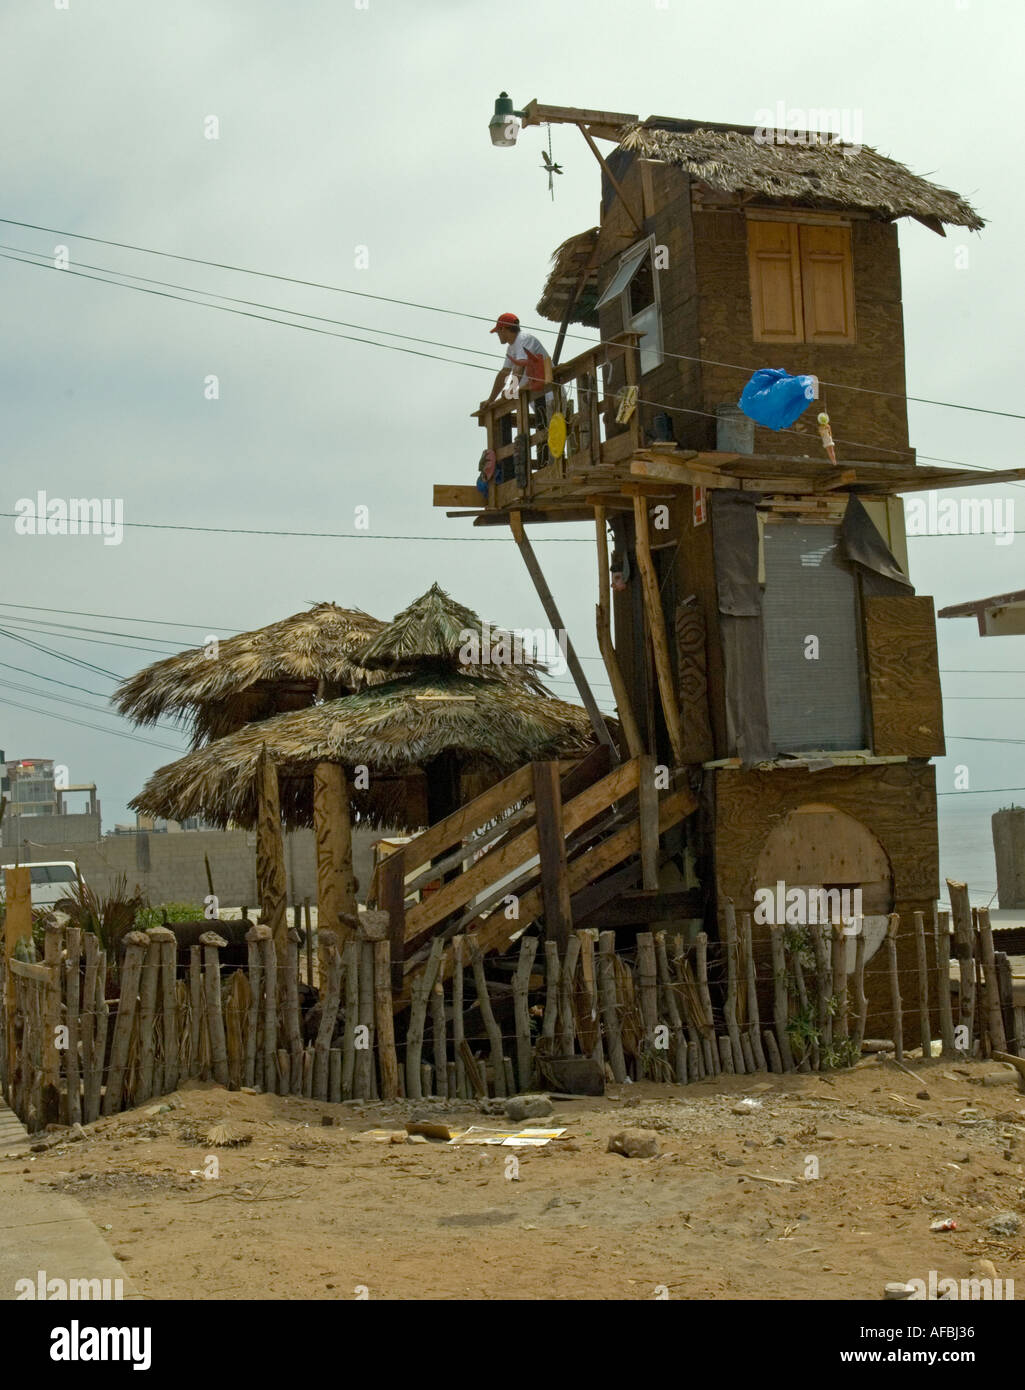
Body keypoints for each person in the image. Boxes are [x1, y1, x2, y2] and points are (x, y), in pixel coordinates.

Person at [479, 313, 553, 476]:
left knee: (551, 432)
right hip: (537, 397)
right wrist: (491, 400)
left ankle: (549, 468)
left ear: (504, 329)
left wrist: (510, 391)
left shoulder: (524, 340)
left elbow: (518, 370)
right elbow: (504, 373)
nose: (498, 335)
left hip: (548, 395)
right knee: (545, 432)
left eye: (498, 331)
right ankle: (547, 467)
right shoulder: (512, 347)